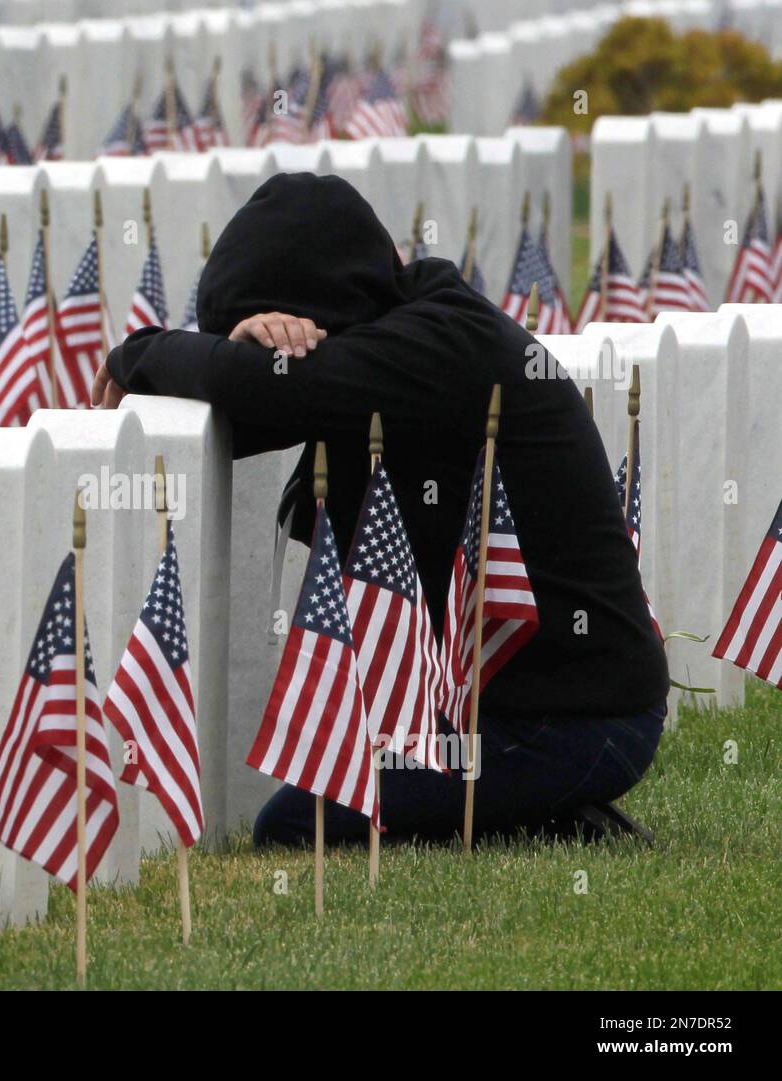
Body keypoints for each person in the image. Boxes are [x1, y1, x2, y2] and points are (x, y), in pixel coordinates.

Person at [91, 173, 669, 847]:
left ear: (322, 309)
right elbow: (248, 403)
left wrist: (142, 348)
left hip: (576, 722)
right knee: (331, 798)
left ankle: (547, 804)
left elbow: (254, 387)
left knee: (292, 823)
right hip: (525, 712)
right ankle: (544, 811)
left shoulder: (439, 343)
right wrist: (246, 344)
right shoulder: (405, 328)